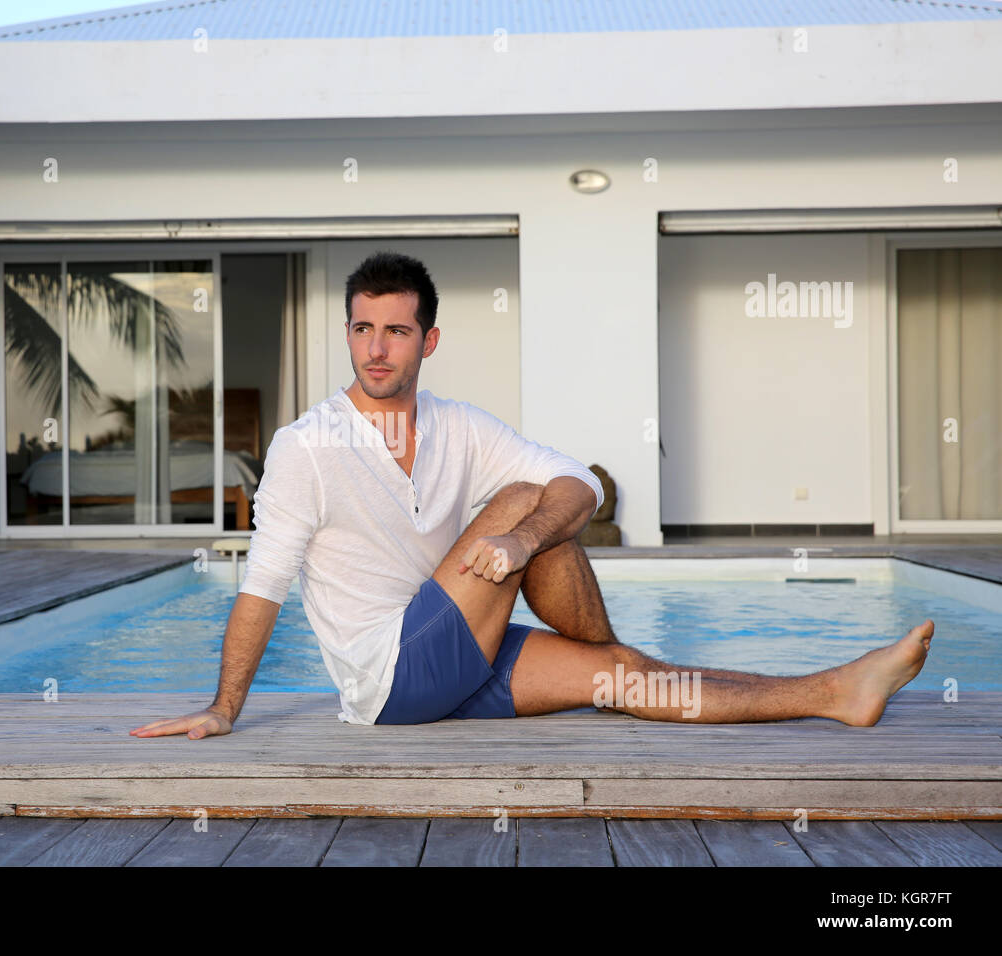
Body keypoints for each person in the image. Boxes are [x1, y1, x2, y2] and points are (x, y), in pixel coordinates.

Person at [133, 251, 933, 740]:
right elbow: (262, 587)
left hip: (459, 652)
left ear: (429, 340)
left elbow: (581, 481)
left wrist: (524, 543)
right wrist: (224, 707)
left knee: (613, 660)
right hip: (389, 678)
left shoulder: (458, 425)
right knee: (523, 498)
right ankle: (604, 642)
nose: (375, 349)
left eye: (397, 331)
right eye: (362, 329)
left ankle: (836, 693)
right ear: (348, 332)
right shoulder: (307, 445)